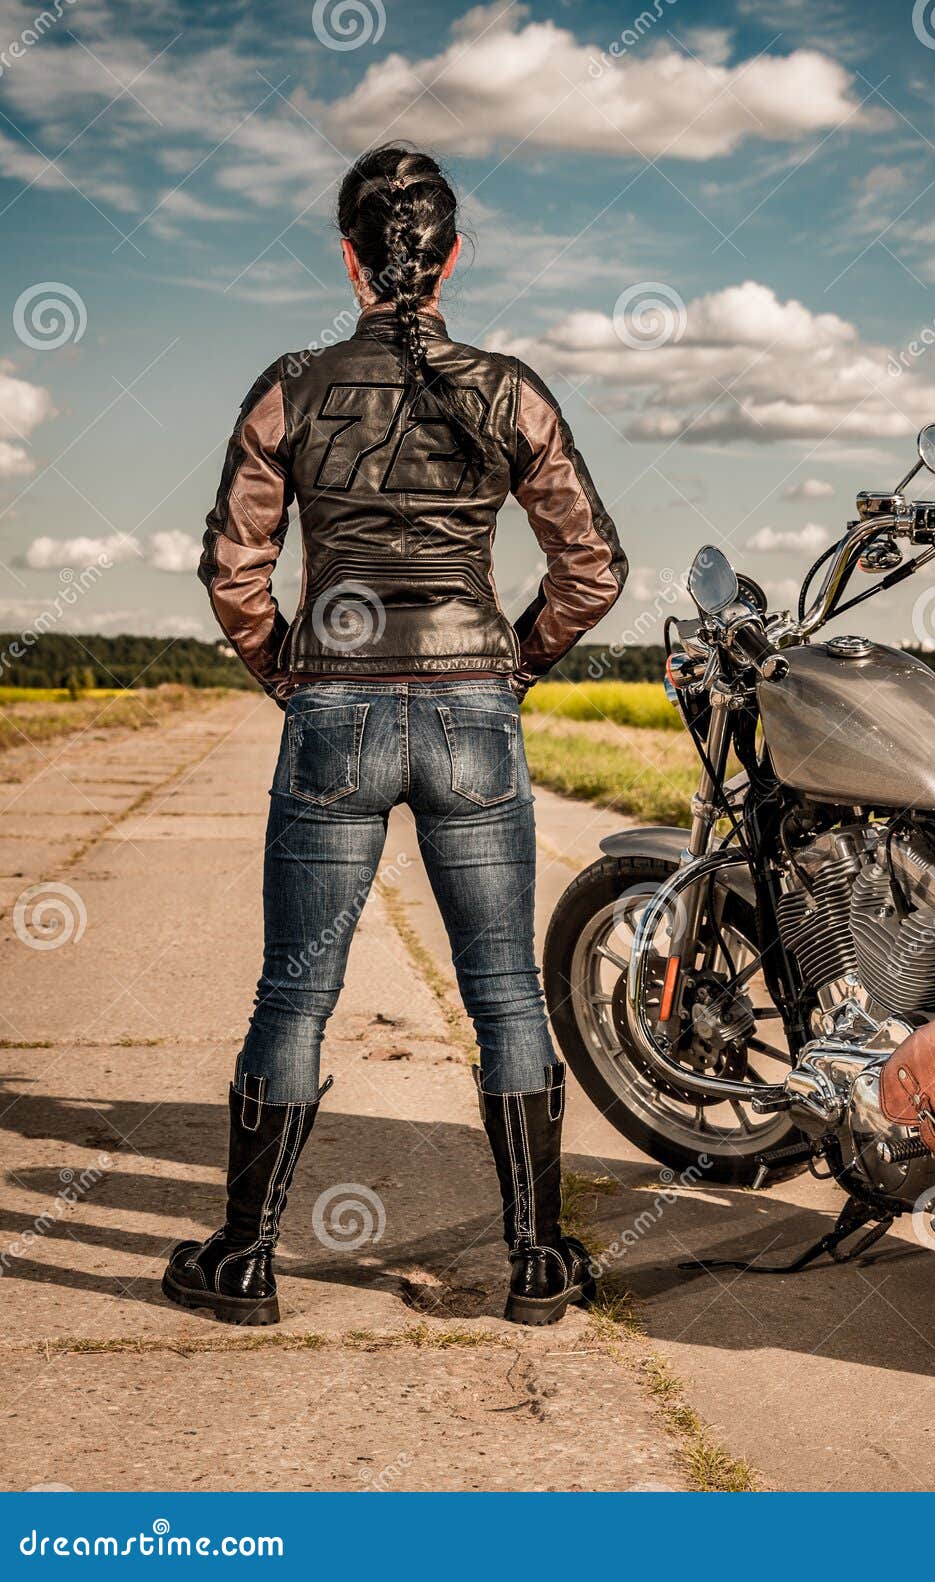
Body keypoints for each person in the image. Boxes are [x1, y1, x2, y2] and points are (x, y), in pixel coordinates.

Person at [164, 145, 626, 1329]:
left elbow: (233, 565)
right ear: (452, 256)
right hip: (475, 704)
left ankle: (246, 1261)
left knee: (295, 991)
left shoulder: (292, 385)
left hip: (335, 708)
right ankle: (536, 1261)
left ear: (350, 257)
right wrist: (512, 661)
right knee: (507, 993)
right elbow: (593, 566)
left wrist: (289, 667)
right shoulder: (510, 388)